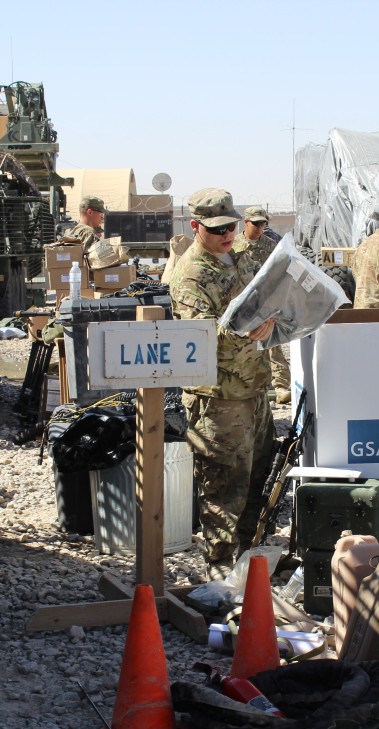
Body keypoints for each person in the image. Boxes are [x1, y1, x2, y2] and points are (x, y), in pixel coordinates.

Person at [169, 188, 276, 578]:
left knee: (257, 476)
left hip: (253, 387)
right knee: (223, 484)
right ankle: (219, 568)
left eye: (230, 226)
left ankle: (249, 563)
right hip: (219, 398)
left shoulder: (240, 257)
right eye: (216, 229)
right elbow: (198, 337)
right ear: (194, 226)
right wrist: (246, 329)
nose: (227, 234)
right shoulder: (191, 273)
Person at [232, 206, 292, 404]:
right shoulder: (233, 246)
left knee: (273, 344)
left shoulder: (271, 246)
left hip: (266, 301)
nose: (260, 228)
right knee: (244, 346)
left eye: (263, 224)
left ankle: (281, 386)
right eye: (256, 223)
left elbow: (281, 270)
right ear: (245, 222)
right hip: (243, 303)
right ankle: (247, 386)